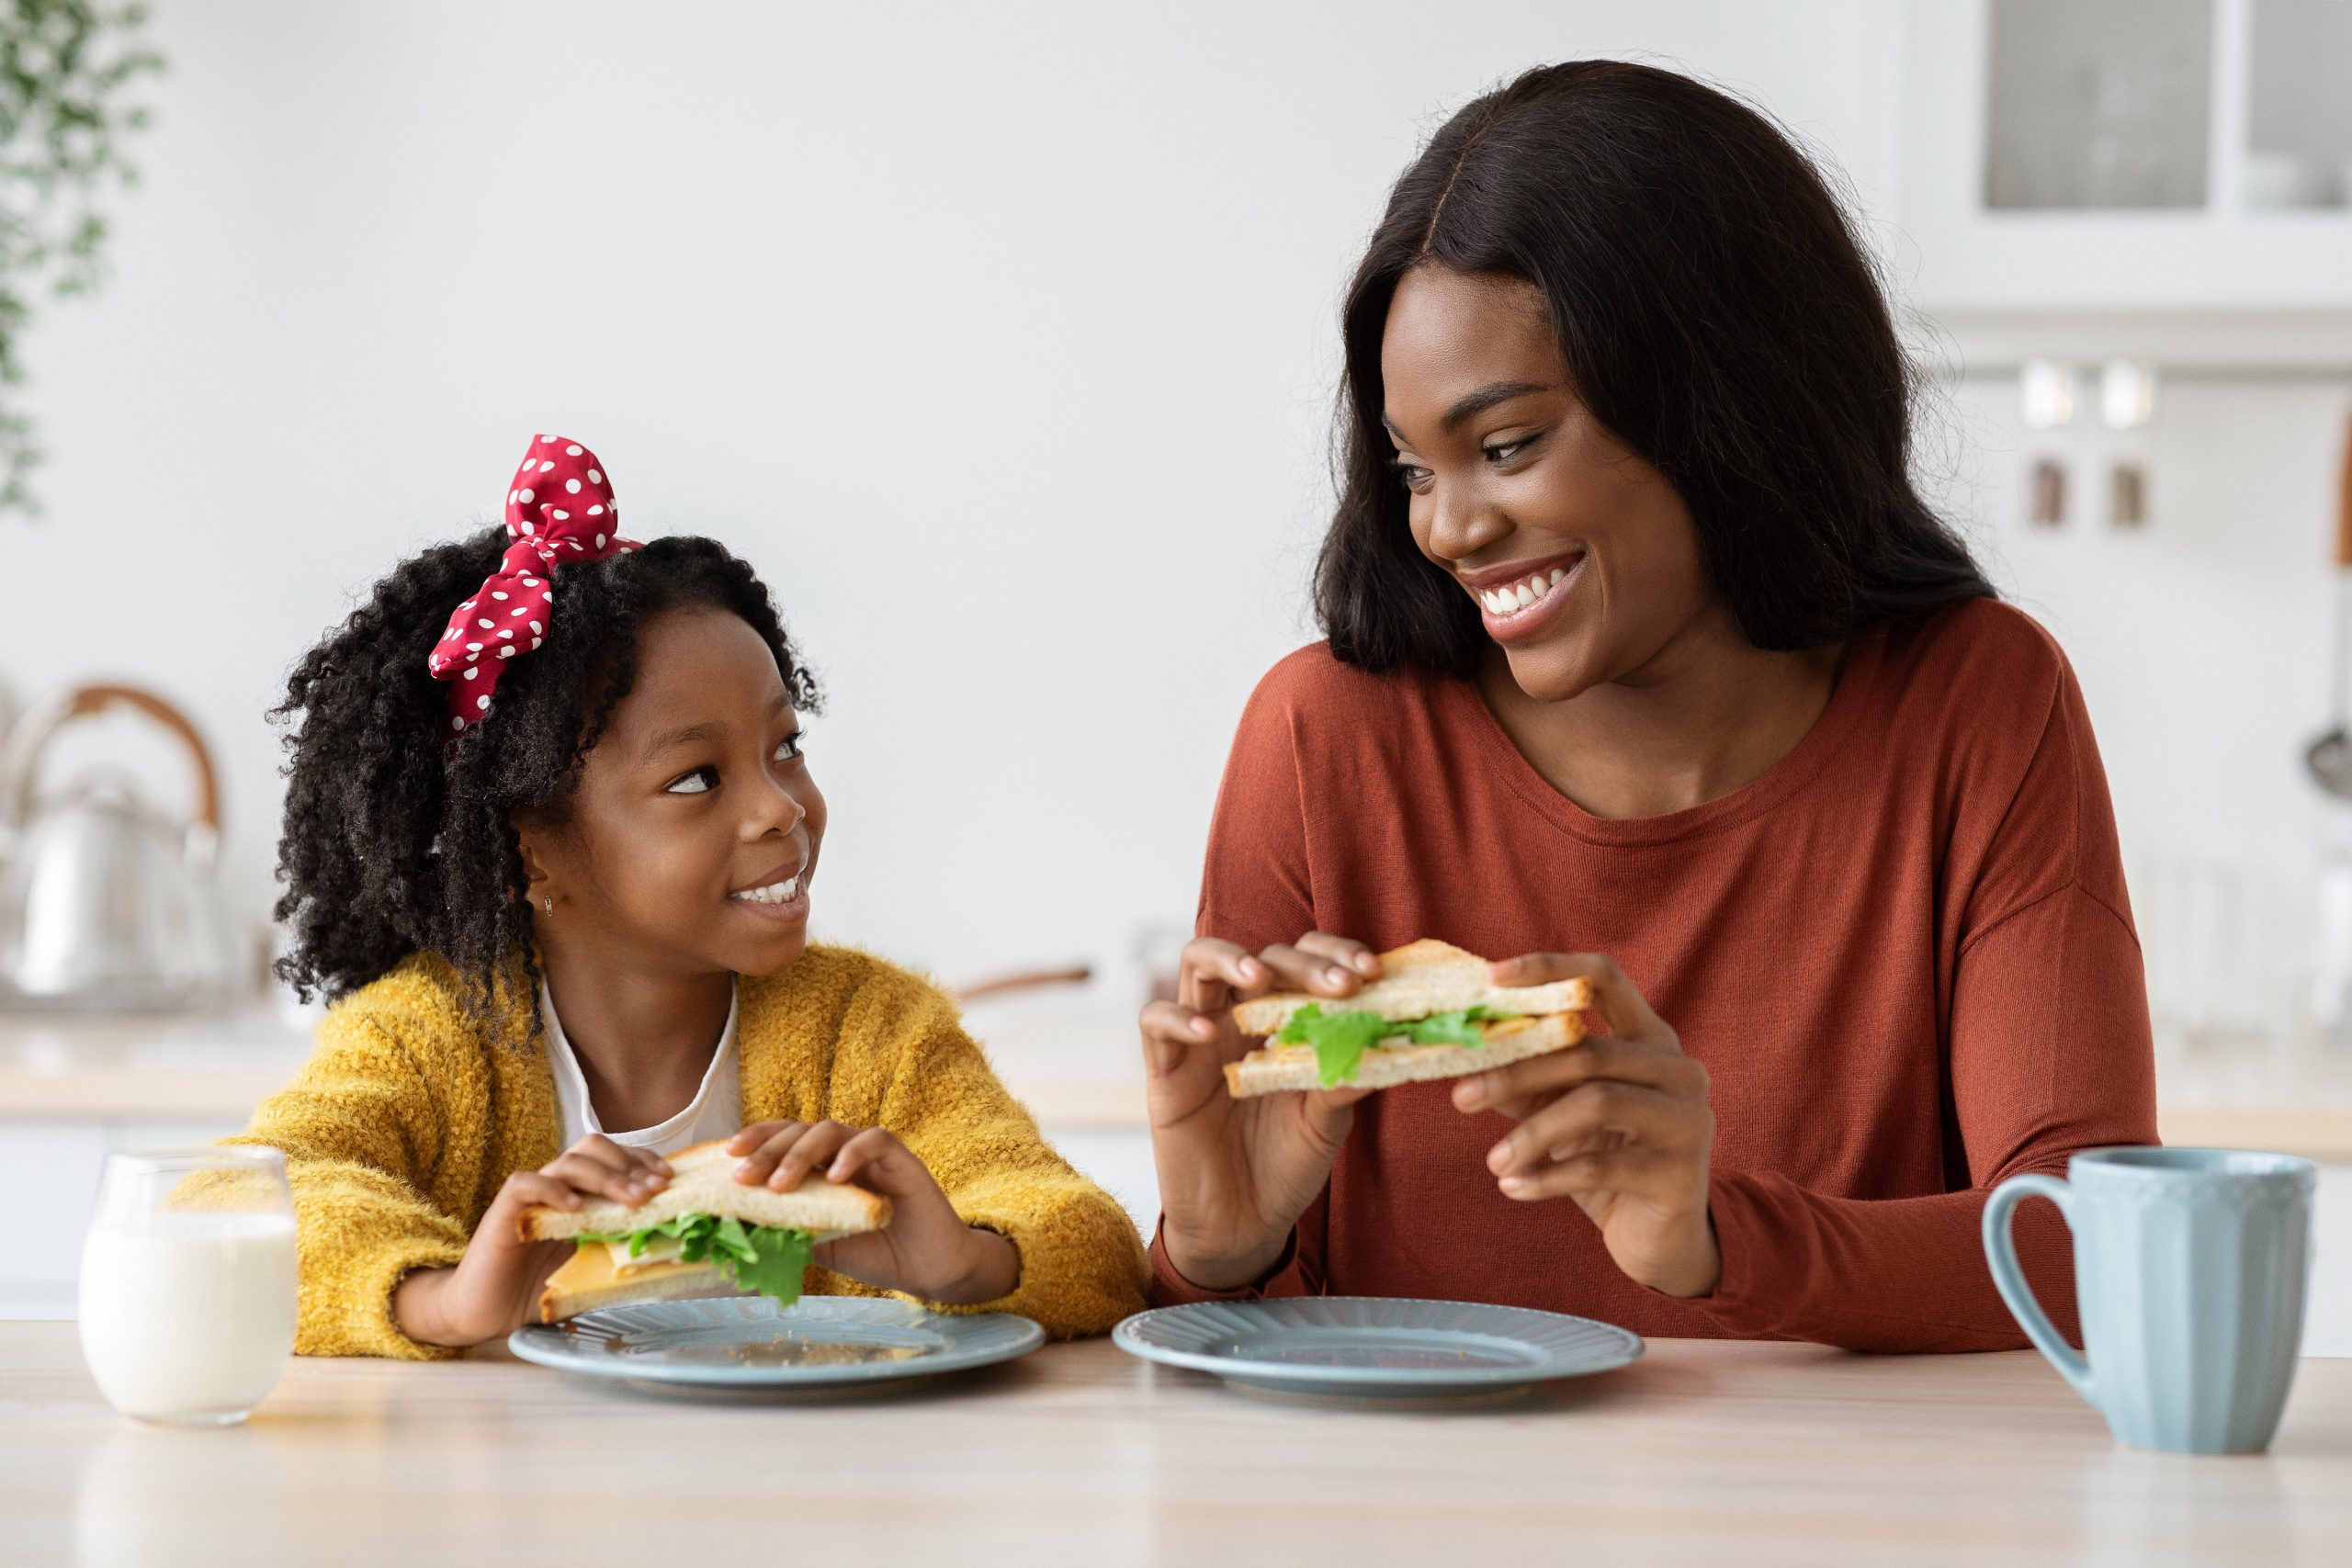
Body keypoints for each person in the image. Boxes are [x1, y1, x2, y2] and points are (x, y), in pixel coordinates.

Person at [1138, 62, 2156, 1352]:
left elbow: (2092, 1244)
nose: (1448, 527)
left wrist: (1723, 1238)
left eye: (1507, 445)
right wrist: (1221, 1248)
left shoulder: (1975, 701)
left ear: (1722, 399)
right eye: (1414, 467)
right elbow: (1227, 1380)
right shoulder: (1323, 735)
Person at [236, 435, 1145, 1357]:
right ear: (528, 852)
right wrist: (449, 1300)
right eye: (696, 779)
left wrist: (958, 1260)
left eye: (784, 747)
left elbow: (1089, 1242)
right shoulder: (426, 1039)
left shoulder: (872, 1032)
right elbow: (244, 1204)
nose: (779, 808)